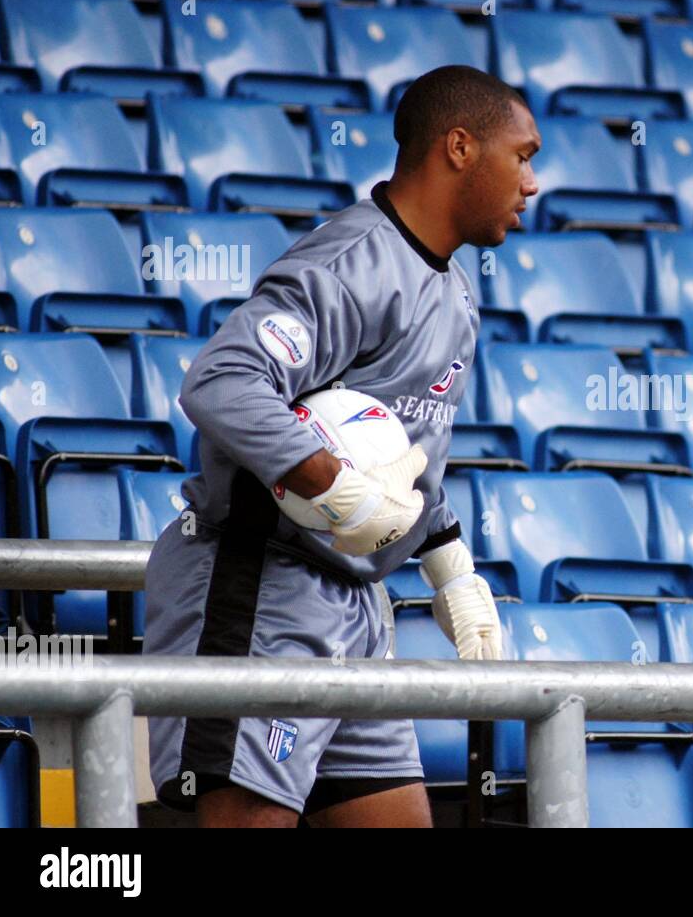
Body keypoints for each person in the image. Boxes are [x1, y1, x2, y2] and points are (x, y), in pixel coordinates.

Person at [142, 65, 540, 827]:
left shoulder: (457, 294)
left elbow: (405, 452)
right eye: (522, 156)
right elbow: (221, 381)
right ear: (460, 147)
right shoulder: (348, 265)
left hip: (357, 606)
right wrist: (331, 482)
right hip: (262, 588)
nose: (530, 183)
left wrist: (451, 569)